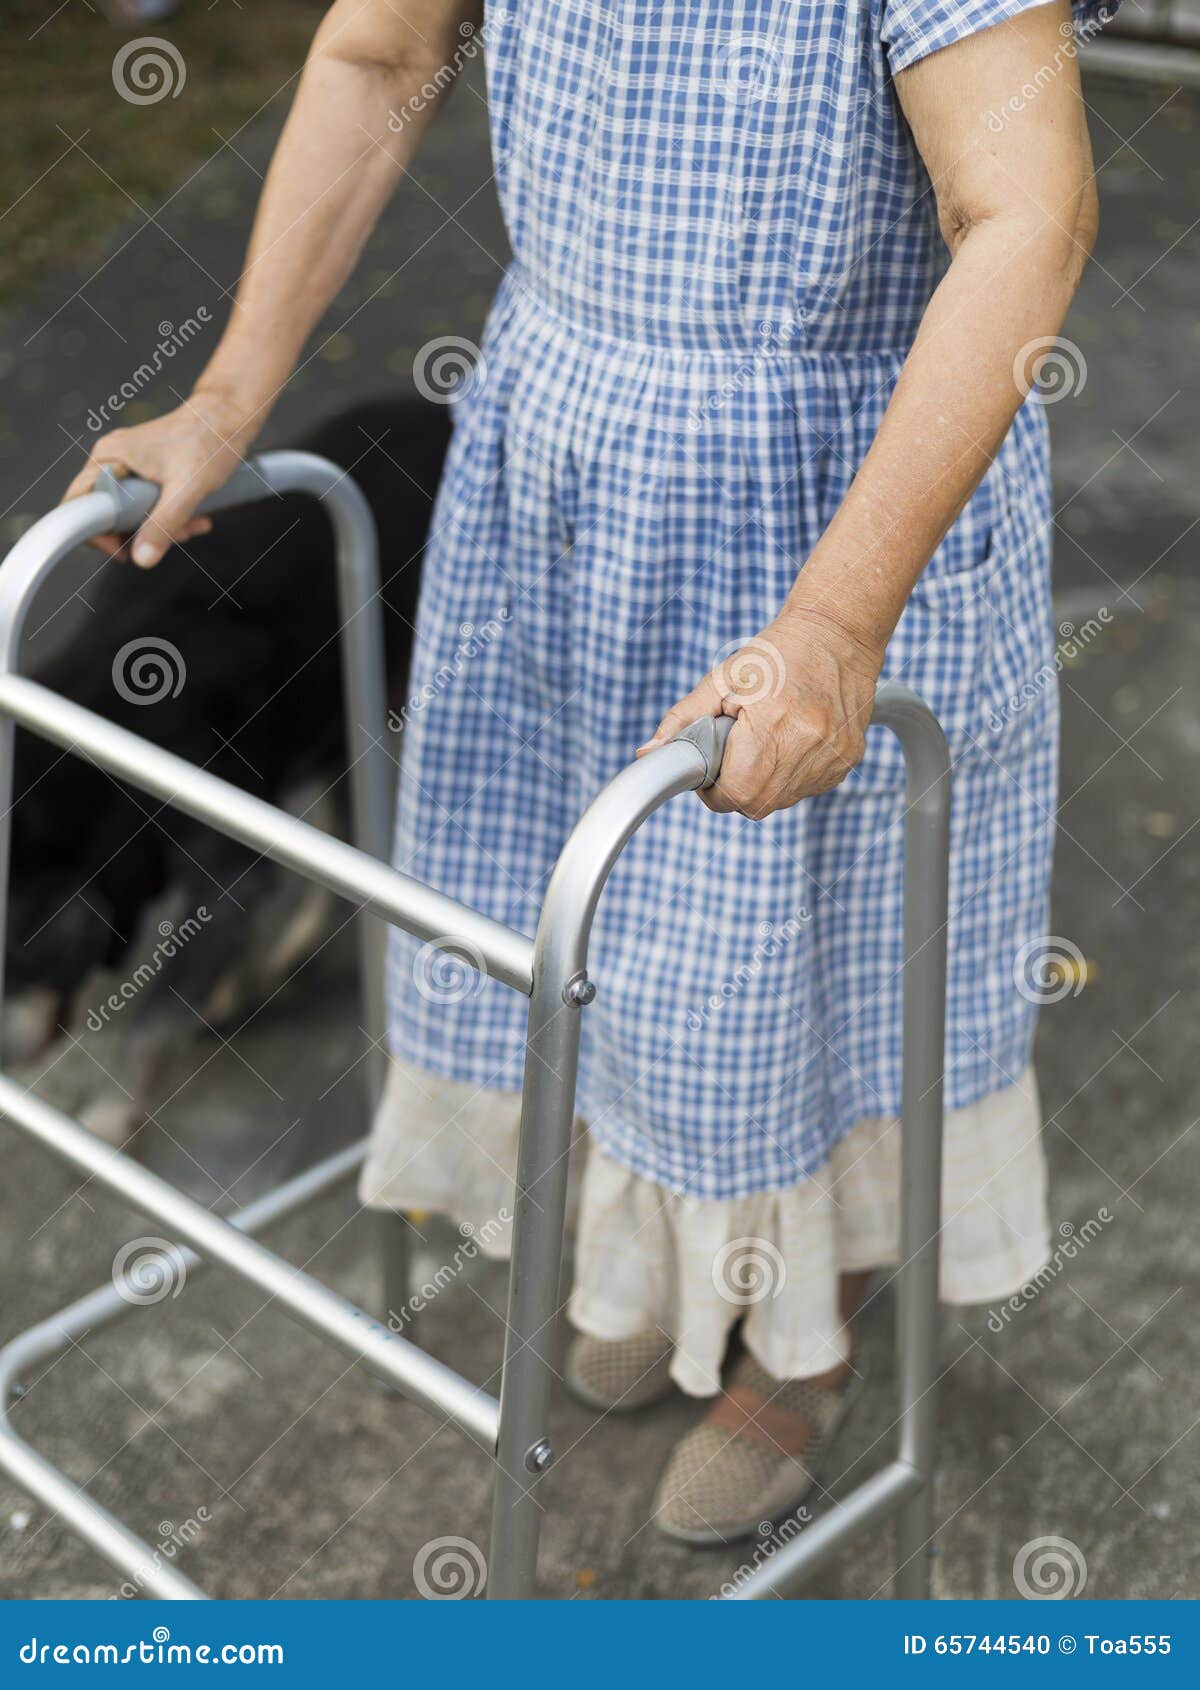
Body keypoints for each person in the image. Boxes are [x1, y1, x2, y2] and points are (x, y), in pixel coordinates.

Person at [67, 0, 1121, 1544]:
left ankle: (802, 1341)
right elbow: (379, 54)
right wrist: (226, 396)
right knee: (593, 919)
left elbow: (1027, 214)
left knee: (807, 958)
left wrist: (837, 621)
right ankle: (660, 1267)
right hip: (565, 456)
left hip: (836, 485)